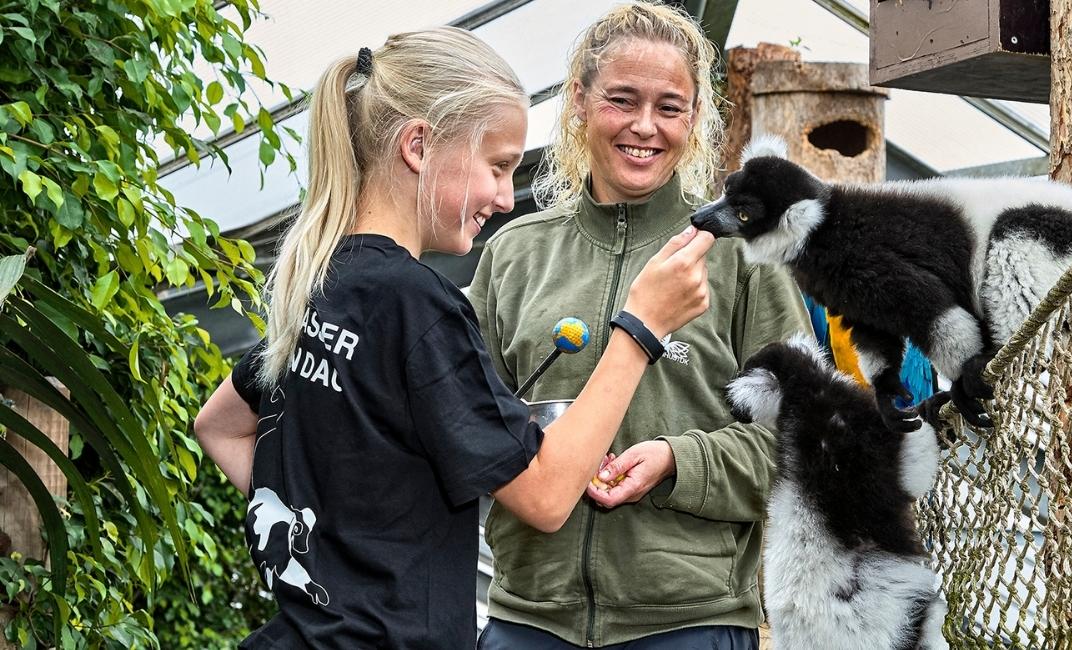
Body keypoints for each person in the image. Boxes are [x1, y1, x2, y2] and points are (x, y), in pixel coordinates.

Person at [192, 27, 714, 649]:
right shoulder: (419, 306)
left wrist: (327, 550)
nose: (501, 197)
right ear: (418, 145)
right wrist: (641, 328)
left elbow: (218, 425)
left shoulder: (323, 282)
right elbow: (545, 496)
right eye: (497, 167)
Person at [469, 3, 812, 648]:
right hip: (529, 618)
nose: (645, 127)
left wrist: (677, 462)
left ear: (697, 114)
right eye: (621, 100)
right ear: (578, 100)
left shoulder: (742, 260)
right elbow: (467, 419)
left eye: (670, 107)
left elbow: (798, 443)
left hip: (688, 622)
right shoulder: (514, 254)